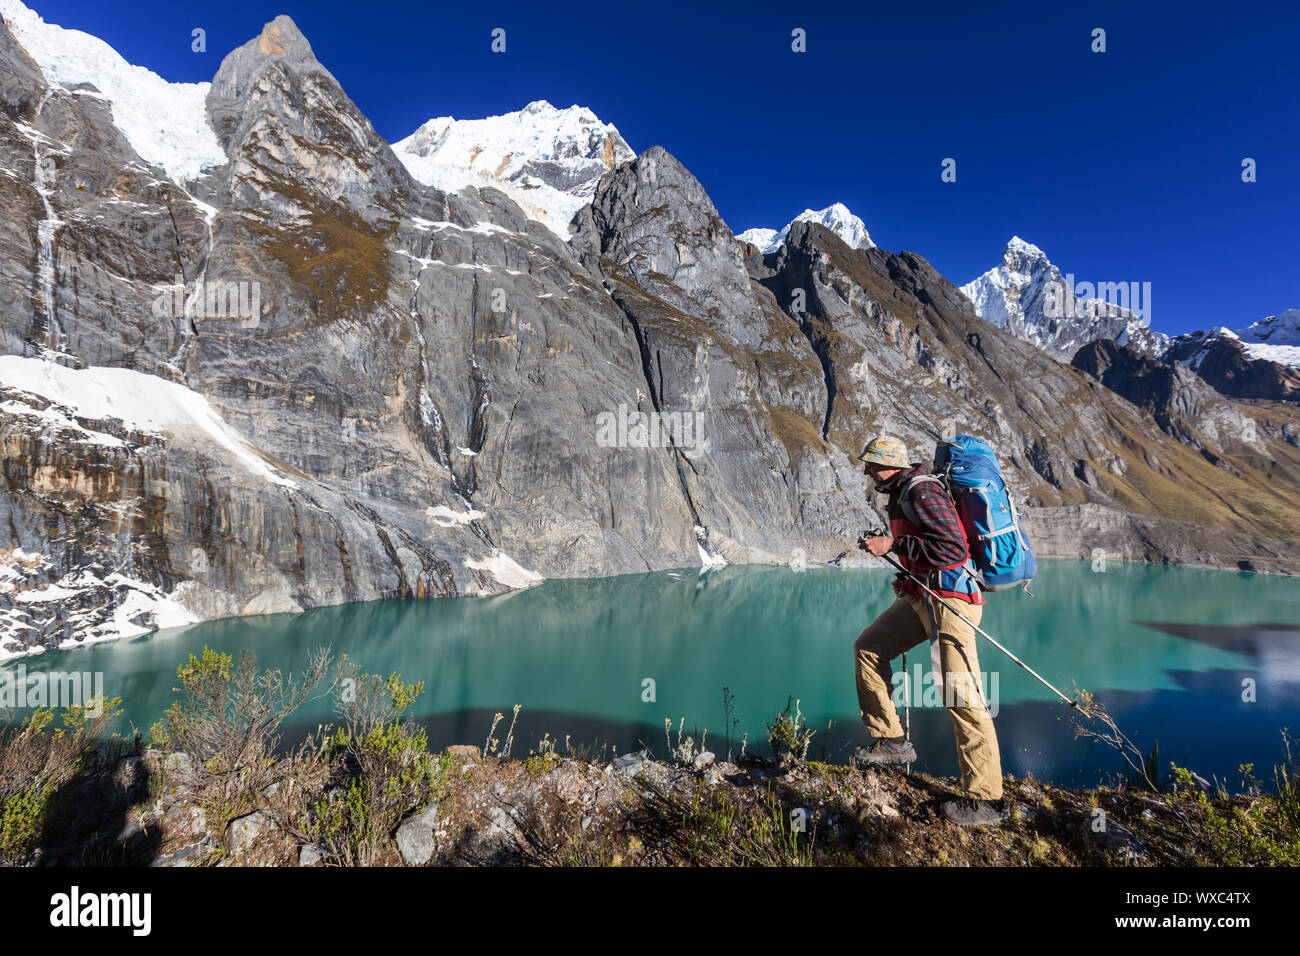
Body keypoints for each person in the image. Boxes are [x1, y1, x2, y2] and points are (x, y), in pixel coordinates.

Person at [852, 434, 1008, 827]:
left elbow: (952, 549)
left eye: (872, 463)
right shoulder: (902, 492)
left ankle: (988, 798)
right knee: (869, 648)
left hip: (951, 602)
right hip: (924, 596)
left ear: (891, 464)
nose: (867, 469)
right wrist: (905, 567)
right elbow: (927, 548)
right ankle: (892, 741)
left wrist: (893, 543)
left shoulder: (922, 492)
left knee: (961, 694)